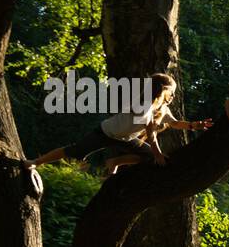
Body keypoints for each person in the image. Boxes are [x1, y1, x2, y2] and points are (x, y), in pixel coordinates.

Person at [23, 73, 209, 176]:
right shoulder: (143, 105)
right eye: (172, 93)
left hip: (127, 139)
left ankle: (115, 162)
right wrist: (158, 153)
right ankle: (35, 162)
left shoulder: (162, 108)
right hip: (106, 133)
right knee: (76, 150)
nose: (174, 97)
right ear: (163, 92)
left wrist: (193, 125)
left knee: (148, 156)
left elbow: (175, 123)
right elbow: (151, 135)